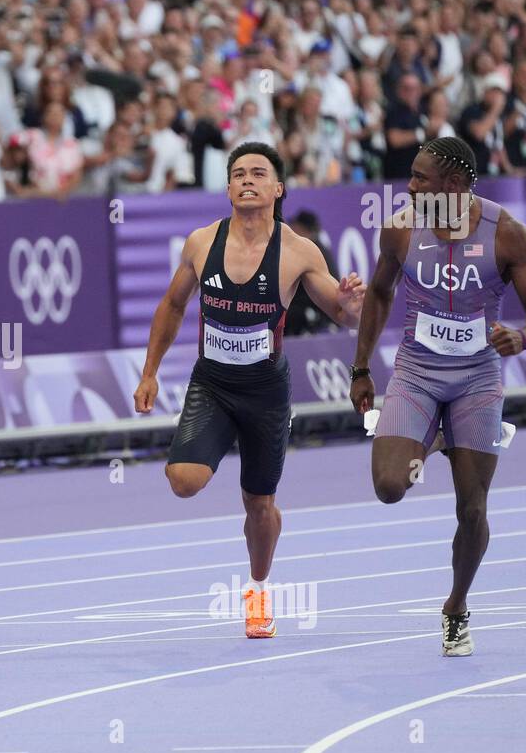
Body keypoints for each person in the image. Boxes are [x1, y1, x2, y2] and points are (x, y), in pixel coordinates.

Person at [134, 142, 366, 639]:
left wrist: (353, 304)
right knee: (183, 480)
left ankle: (258, 590)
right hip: (212, 384)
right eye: (238, 173)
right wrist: (150, 371)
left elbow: (342, 315)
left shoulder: (299, 251)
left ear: (277, 189)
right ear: (227, 188)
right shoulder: (201, 243)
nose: (247, 180)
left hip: (265, 393)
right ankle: (212, 451)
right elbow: (173, 307)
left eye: (258, 173)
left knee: (259, 506)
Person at [350, 136, 526, 657]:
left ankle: (456, 606)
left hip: (478, 380)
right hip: (418, 371)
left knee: (472, 508)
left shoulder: (508, 235)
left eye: (420, 178)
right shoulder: (401, 227)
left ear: (456, 184)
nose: (410, 186)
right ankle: (438, 437)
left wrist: (524, 336)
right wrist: (360, 368)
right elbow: (378, 292)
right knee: (390, 485)